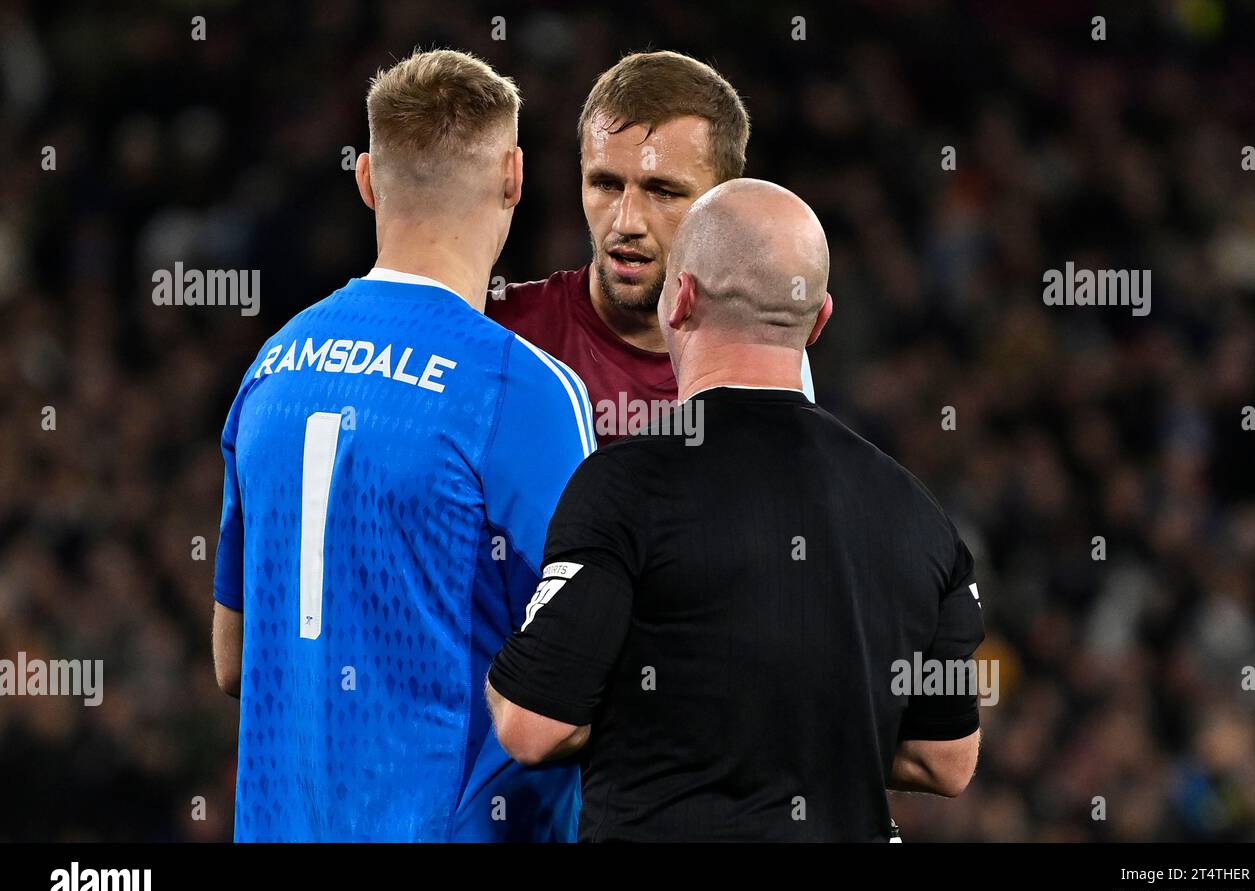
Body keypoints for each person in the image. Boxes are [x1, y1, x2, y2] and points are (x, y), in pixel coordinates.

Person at [486, 179, 983, 842]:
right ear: (820, 319)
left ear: (680, 298)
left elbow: (533, 726)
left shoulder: (622, 486)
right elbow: (946, 757)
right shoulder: (920, 515)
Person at [211, 49, 593, 842]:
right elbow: (584, 676)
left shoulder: (270, 368)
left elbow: (233, 660)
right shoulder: (521, 390)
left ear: (367, 181)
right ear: (516, 175)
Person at [487, 51, 814, 445]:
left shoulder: (762, 360)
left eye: (662, 191)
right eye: (606, 184)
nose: (627, 223)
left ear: (722, 202)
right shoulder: (501, 333)